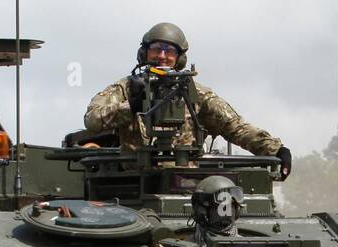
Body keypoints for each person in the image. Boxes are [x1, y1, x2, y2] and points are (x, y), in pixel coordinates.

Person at [84, 22, 293, 179]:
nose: (162, 56)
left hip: (184, 187)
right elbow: (92, 120)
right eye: (156, 48)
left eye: (170, 51)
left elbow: (234, 126)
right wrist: (133, 106)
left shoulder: (196, 93)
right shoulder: (125, 89)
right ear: (144, 52)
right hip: (132, 185)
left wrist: (275, 149)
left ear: (180, 58)